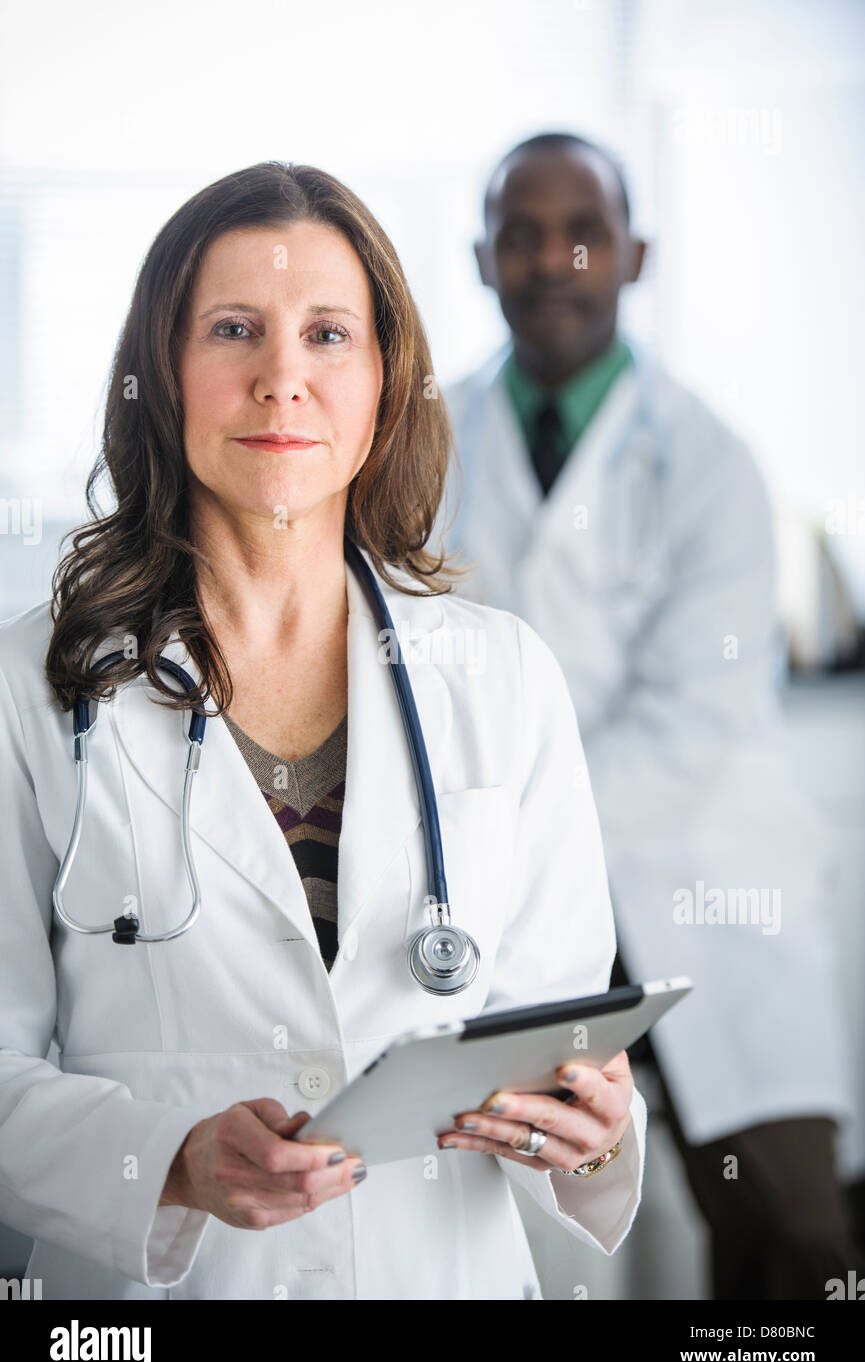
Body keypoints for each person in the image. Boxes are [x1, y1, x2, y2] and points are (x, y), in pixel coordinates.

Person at [0, 160, 647, 1301]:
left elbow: (561, 1049)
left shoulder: (501, 679)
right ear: (161, 370)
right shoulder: (36, 685)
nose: (281, 379)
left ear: (388, 382)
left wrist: (591, 1128)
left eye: (329, 334)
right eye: (234, 329)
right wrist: (170, 1164)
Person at [436, 132, 861, 1300]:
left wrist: (509, 824)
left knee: (789, 1232)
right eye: (518, 234)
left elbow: (696, 714)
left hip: (699, 874)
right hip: (507, 905)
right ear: (480, 258)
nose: (551, 261)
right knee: (504, 1212)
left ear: (636, 253)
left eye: (583, 231)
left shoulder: (712, 461)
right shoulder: (424, 444)